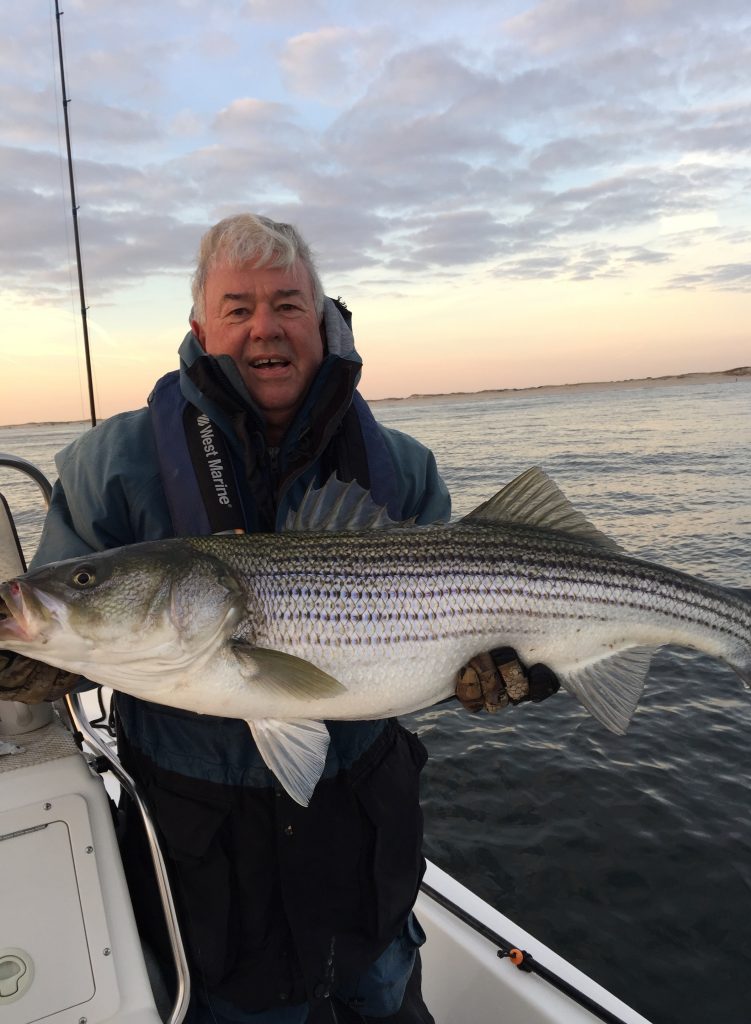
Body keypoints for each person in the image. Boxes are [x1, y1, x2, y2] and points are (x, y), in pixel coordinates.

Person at [0, 215, 558, 1023]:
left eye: (288, 304)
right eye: (238, 307)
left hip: (368, 856)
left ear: (323, 317)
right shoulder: (112, 465)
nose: (265, 326)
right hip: (206, 874)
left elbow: (454, 642)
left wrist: (487, 678)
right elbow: (63, 626)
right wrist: (36, 655)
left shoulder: (402, 466)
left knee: (389, 1001)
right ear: (201, 328)